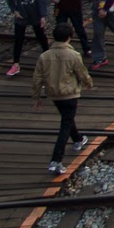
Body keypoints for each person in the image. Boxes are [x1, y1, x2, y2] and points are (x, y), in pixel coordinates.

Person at [32, 23, 92, 175]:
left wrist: (37, 97)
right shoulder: (73, 55)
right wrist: (88, 83)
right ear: (69, 38)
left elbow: (37, 78)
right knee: (65, 124)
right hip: (70, 94)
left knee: (67, 118)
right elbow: (81, 73)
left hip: (54, 95)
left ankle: (78, 139)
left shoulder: (44, 56)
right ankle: (56, 160)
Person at [6, 0, 48, 77]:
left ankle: (48, 58)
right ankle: (16, 64)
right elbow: (9, 0)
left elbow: (41, 0)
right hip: (21, 16)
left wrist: (43, 16)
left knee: (41, 37)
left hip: (35, 15)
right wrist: (14, 11)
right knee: (18, 40)